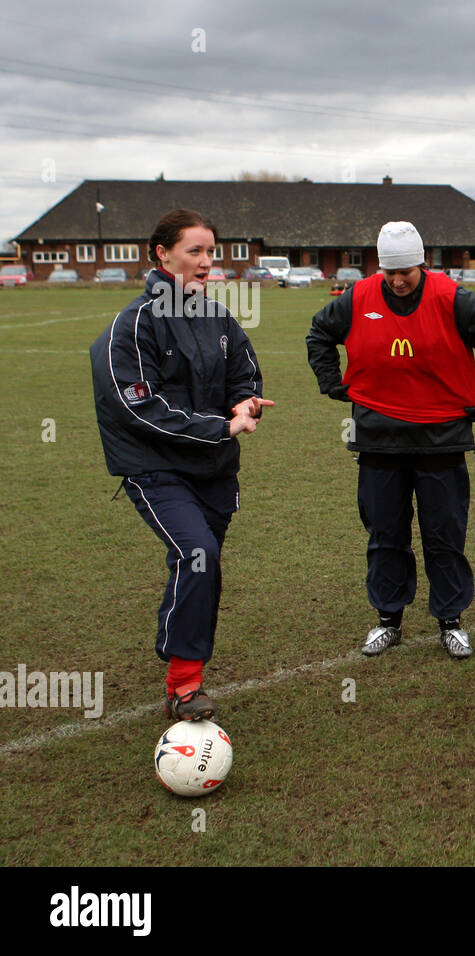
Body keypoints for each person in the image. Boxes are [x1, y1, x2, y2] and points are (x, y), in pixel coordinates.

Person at [90, 208, 271, 721]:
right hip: (156, 468)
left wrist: (245, 403)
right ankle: (184, 685)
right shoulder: (133, 325)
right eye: (194, 251)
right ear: (162, 254)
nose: (206, 262)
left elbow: (246, 373)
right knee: (197, 552)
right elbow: (135, 407)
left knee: (201, 566)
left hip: (214, 468)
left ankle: (186, 672)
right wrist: (219, 426)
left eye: (211, 252)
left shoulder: (220, 316)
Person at [305, 222, 475, 660]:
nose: (397, 281)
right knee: (385, 533)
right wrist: (330, 380)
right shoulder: (358, 297)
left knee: (444, 533)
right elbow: (319, 333)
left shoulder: (453, 298)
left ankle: (451, 620)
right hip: (378, 438)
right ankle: (387, 618)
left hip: (442, 438)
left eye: (406, 273)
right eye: (389, 272)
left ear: (423, 264)